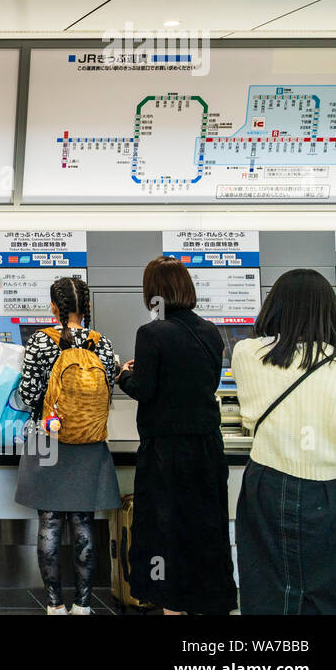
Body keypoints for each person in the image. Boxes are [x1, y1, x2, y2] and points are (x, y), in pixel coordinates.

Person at [231, 268, 336, 615]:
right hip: (330, 497)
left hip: (264, 486)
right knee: (334, 595)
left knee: (268, 590)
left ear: (275, 307)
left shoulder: (247, 355)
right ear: (330, 311)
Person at [115, 257, 237, 615]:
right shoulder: (212, 331)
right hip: (207, 448)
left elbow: (146, 390)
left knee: (165, 532)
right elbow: (204, 382)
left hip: (166, 451)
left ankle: (172, 607)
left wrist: (123, 375)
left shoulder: (151, 333)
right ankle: (206, 602)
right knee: (204, 528)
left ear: (153, 293)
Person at [14, 275, 122, 615]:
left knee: (49, 523)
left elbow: (29, 395)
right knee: (83, 523)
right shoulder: (101, 344)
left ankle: (54, 605)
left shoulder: (40, 343)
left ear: (54, 307)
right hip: (89, 443)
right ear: (86, 307)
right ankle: (84, 605)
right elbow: (107, 395)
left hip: (49, 440)